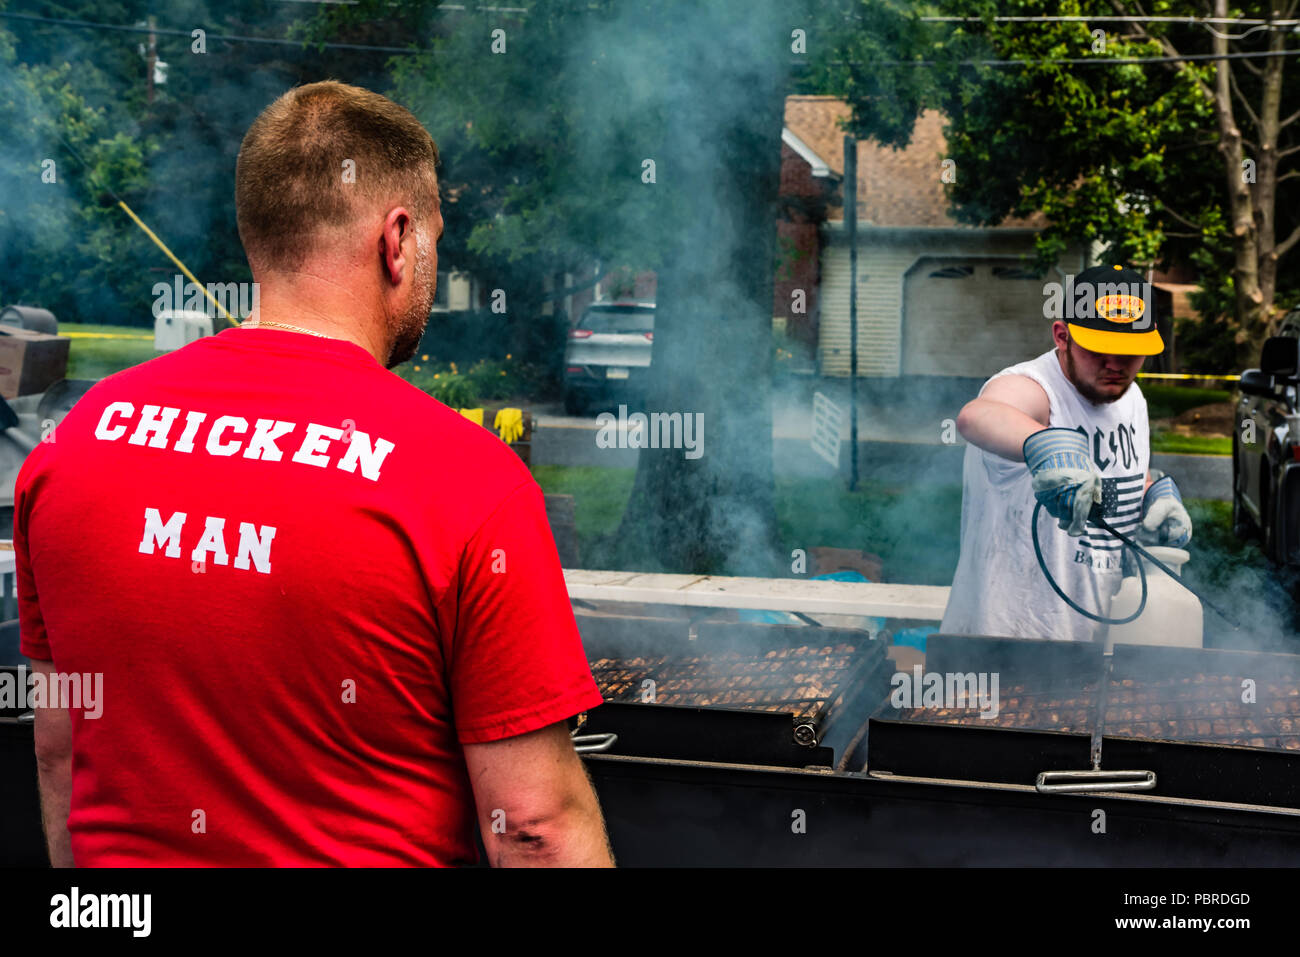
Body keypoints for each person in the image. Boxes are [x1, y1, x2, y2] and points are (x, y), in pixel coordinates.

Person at [15, 81, 613, 867]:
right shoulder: (467, 481)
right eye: (435, 237)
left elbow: (59, 748)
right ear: (397, 239)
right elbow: (534, 829)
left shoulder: (76, 439)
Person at [939, 264, 1194, 643]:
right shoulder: (1036, 388)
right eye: (1099, 350)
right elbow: (977, 416)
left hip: (1091, 636)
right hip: (1007, 642)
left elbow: (1119, 475)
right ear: (1062, 335)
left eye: (1130, 353)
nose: (1115, 365)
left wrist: (1152, 495)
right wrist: (1045, 445)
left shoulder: (1132, 398)